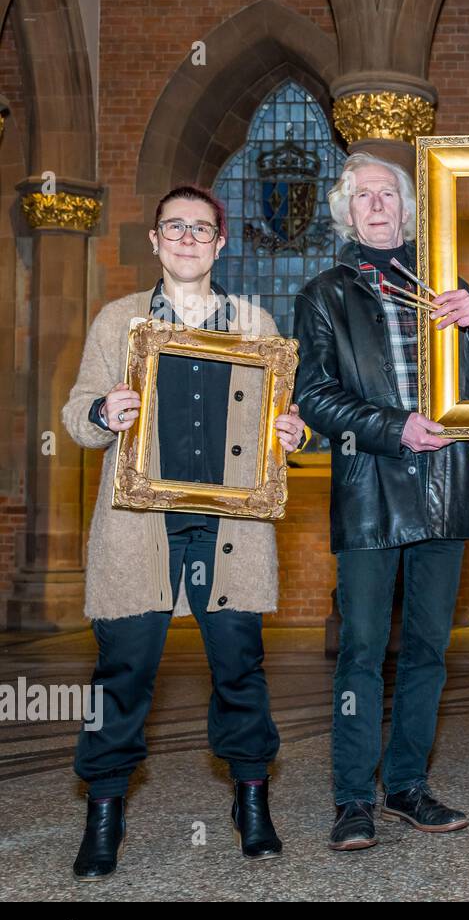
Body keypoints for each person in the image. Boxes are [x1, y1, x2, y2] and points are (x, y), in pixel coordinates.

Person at [60, 185, 306, 881]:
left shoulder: (253, 321)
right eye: (176, 227)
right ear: (156, 240)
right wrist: (104, 410)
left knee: (238, 670)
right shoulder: (119, 321)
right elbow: (78, 413)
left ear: (222, 242)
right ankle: (104, 811)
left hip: (227, 530)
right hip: (140, 527)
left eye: (203, 228)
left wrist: (294, 431)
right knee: (123, 671)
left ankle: (251, 799)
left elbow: (284, 418)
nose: (189, 239)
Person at [294, 153, 469, 851]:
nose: (378, 205)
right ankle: (353, 798)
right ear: (346, 211)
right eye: (364, 196)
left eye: (389, 195)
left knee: (426, 649)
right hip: (368, 488)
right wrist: (394, 428)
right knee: (359, 651)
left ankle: (407, 785)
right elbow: (313, 397)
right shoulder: (324, 293)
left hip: (446, 485)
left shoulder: (446, 282)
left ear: (408, 210)